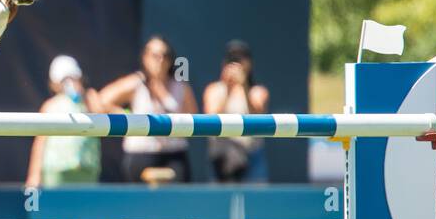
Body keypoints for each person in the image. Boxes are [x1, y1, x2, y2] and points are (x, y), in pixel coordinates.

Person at [94, 35, 199, 183]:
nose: (160, 60)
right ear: (145, 57)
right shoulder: (136, 83)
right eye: (155, 55)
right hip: (141, 153)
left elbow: (193, 117)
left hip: (174, 153)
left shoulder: (180, 86)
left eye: (165, 55)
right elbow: (101, 100)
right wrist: (127, 115)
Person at [26, 55, 103, 187]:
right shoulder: (50, 106)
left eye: (73, 78)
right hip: (56, 169)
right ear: (54, 84)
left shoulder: (89, 99)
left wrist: (84, 95)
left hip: (87, 168)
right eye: (64, 80)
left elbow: (101, 116)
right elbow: (40, 143)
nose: (69, 83)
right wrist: (34, 176)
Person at [202, 40, 271, 183]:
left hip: (251, 156)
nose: (236, 65)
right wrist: (228, 89)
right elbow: (210, 119)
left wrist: (243, 85)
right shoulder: (214, 89)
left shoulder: (257, 91)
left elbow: (257, 116)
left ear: (249, 63)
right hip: (220, 158)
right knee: (218, 203)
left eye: (240, 60)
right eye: (231, 60)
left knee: (256, 202)